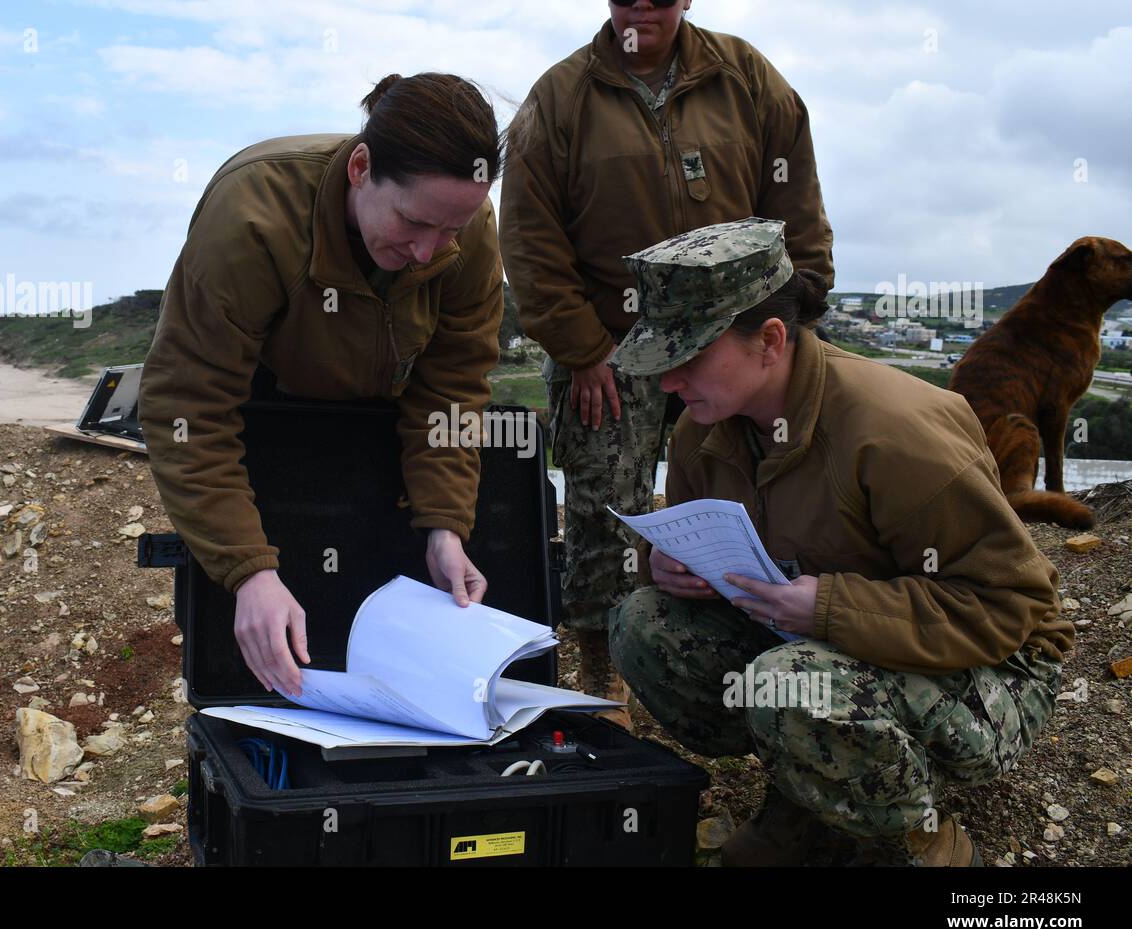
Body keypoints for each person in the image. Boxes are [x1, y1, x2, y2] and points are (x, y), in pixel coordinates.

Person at [607, 217, 1075, 866]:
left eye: (688, 357)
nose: (667, 382)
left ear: (770, 340)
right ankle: (811, 793)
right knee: (644, 625)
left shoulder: (898, 432)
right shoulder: (701, 431)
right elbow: (706, 566)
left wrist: (828, 608)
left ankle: (918, 839)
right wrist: (667, 568)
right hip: (824, 645)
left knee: (790, 686)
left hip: (995, 668)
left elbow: (1007, 607)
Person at [499, 0, 834, 726]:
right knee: (603, 502)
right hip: (612, 343)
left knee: (759, 484)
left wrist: (801, 312)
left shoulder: (748, 78)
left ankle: (758, 644)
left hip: (735, 332)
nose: (641, 5)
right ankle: (601, 670)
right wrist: (581, 350)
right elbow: (527, 236)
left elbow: (795, 201)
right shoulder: (558, 98)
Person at [139, 73, 505, 697]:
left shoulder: (461, 217)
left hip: (382, 428)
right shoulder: (251, 214)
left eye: (448, 233)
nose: (427, 252)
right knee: (253, 643)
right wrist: (248, 571)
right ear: (361, 167)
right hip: (262, 418)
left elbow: (452, 387)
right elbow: (188, 406)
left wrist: (444, 526)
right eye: (413, 223)